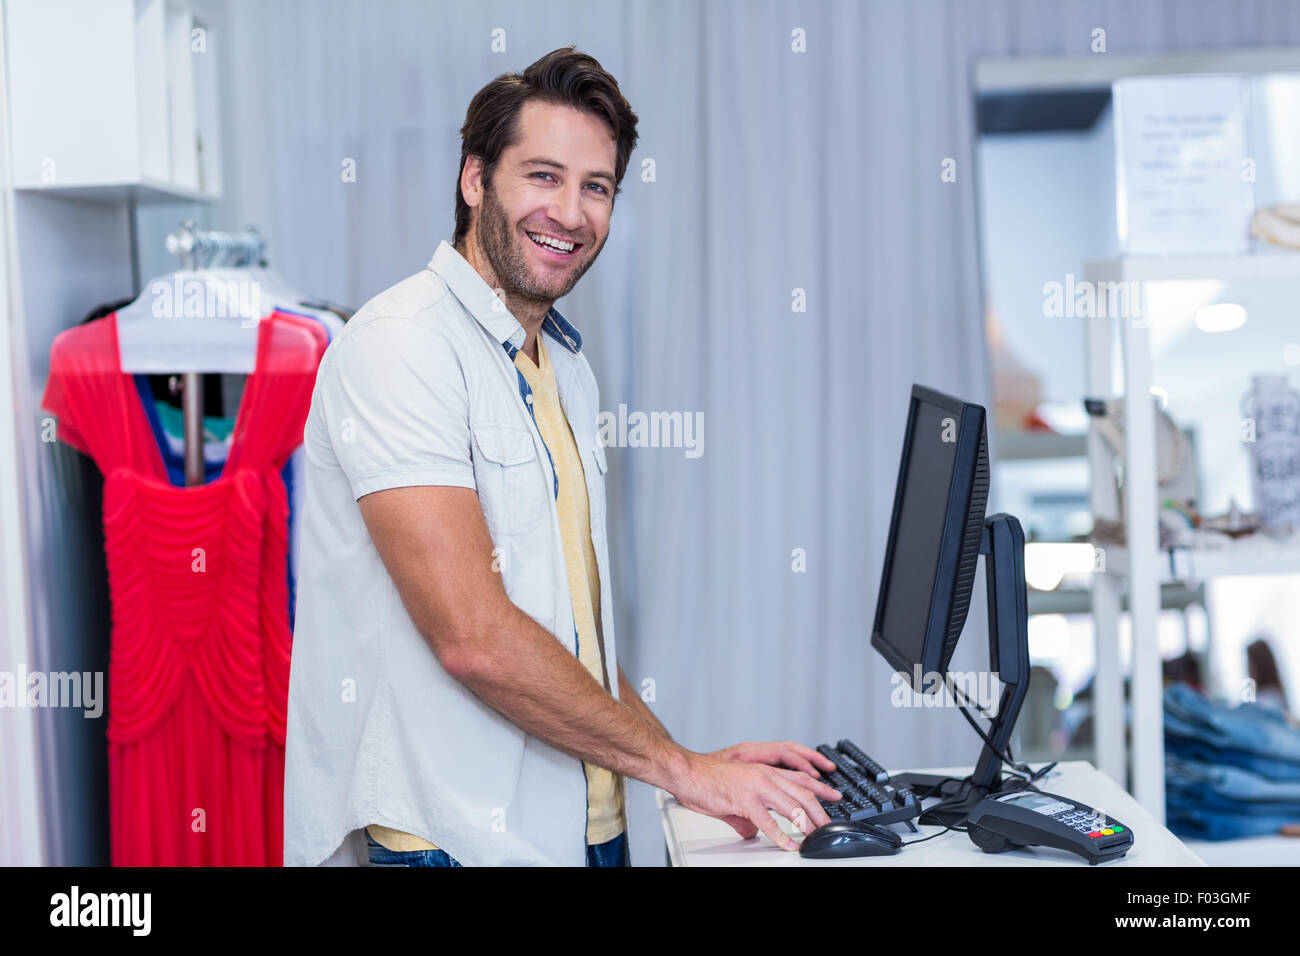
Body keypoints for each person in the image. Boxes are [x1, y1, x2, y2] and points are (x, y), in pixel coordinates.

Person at [283, 46, 838, 868]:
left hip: (582, 829)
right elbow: (472, 634)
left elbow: (566, 643)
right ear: (475, 179)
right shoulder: (403, 345)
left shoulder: (562, 366)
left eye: (597, 187)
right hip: (456, 844)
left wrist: (693, 768)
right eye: (543, 176)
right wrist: (685, 772)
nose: (571, 213)